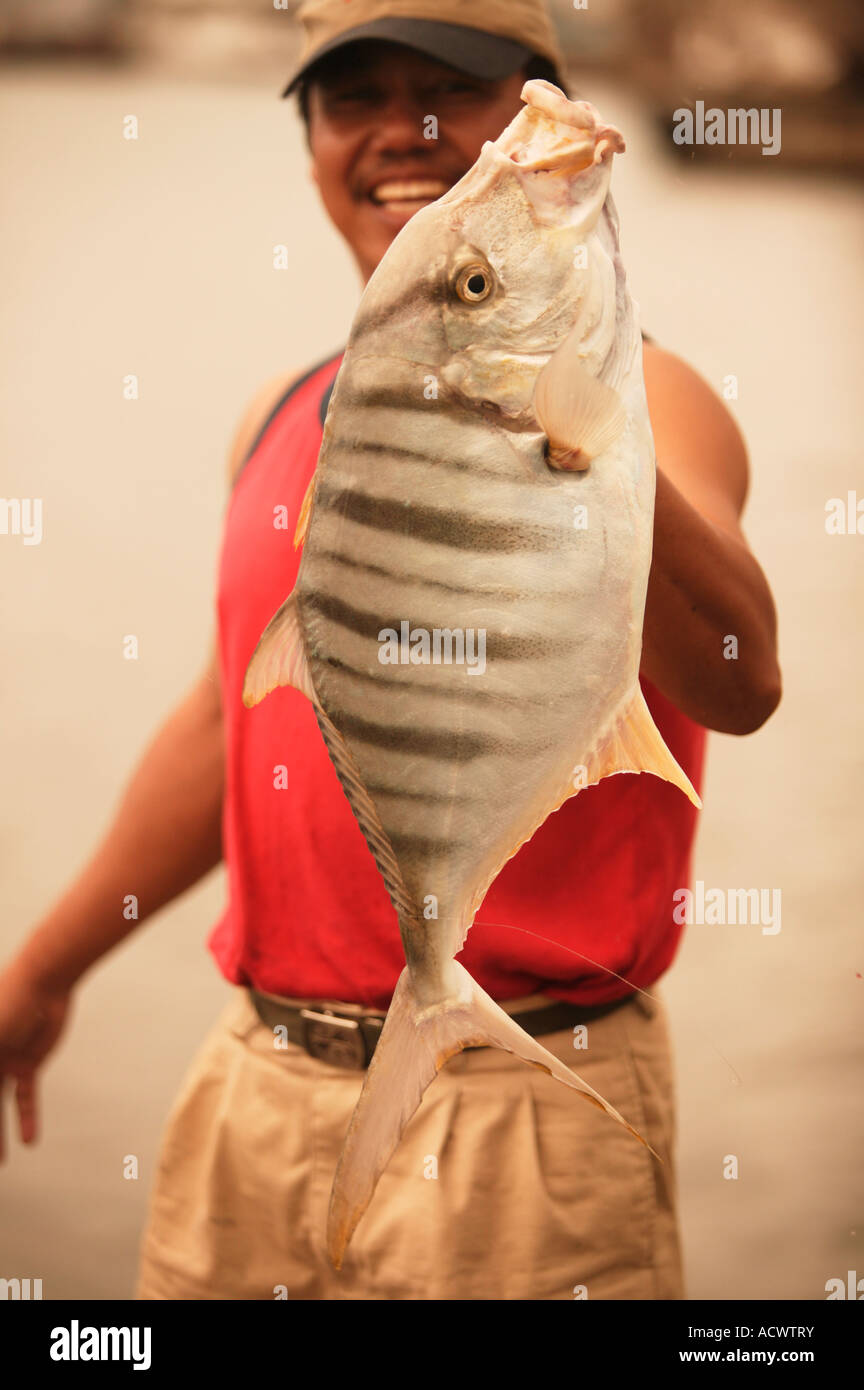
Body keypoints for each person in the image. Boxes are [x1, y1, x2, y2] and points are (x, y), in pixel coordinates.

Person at [0, 0, 781, 1300]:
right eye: (353, 97)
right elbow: (226, 722)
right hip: (256, 1085)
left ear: (536, 110)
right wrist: (40, 967)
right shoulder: (284, 406)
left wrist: (577, 421)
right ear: (309, 139)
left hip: (528, 1109)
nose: (400, 133)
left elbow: (743, 679)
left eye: (452, 92)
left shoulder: (657, 397)